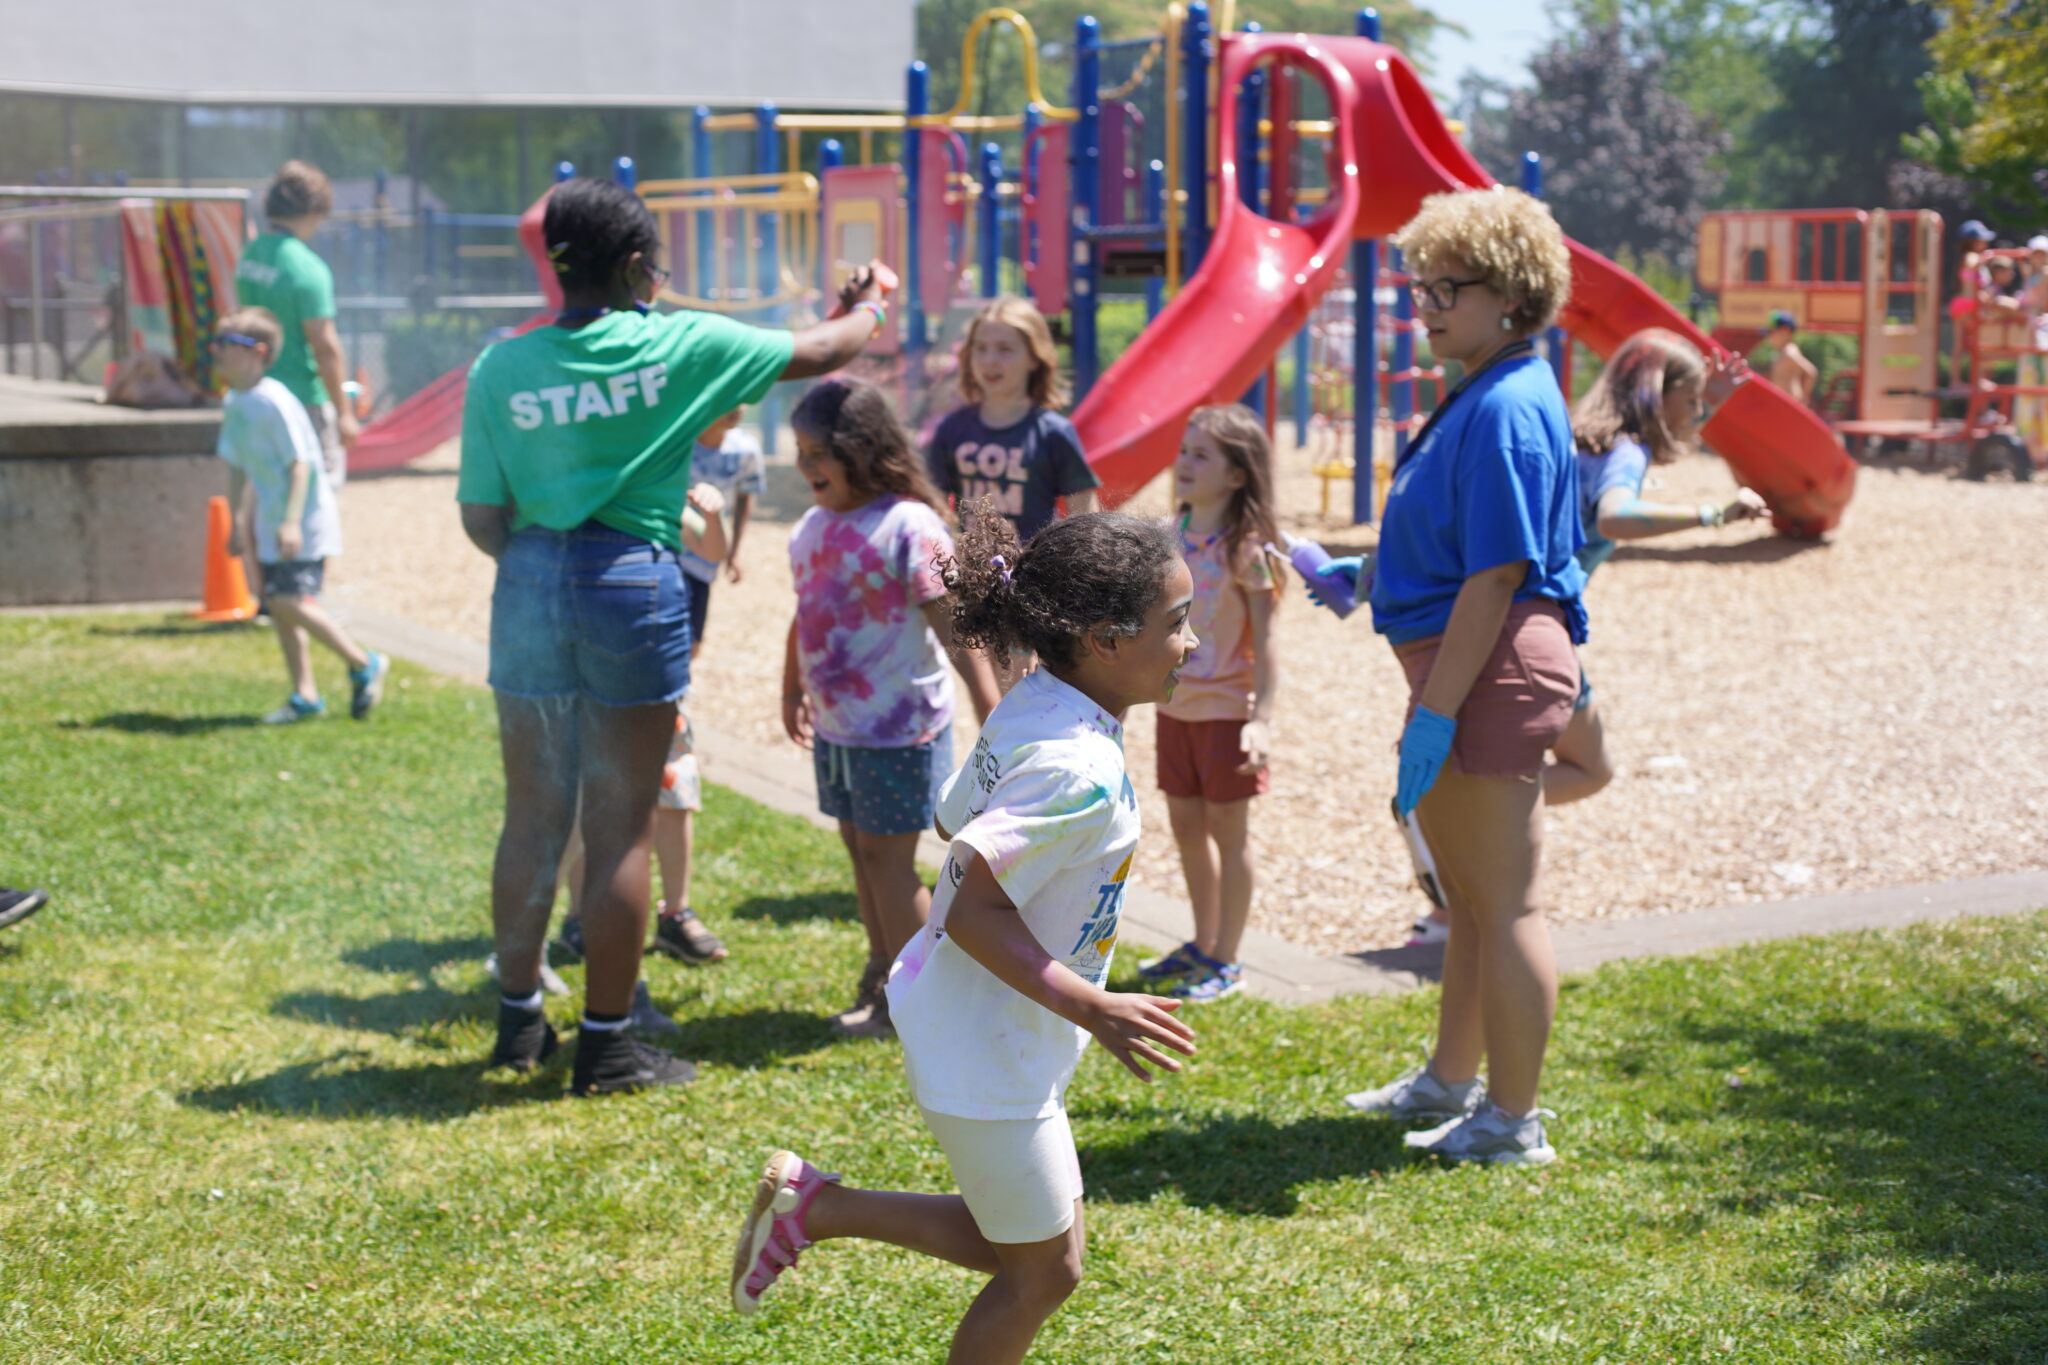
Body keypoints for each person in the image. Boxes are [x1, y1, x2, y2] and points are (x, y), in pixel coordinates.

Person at [732, 506, 1199, 1365]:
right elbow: (972, 904)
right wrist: (1093, 1005)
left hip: (985, 1024)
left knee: (1021, 1244)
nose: (1192, 641)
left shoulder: (1042, 702)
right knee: (1044, 1273)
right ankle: (816, 1208)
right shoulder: (1079, 765)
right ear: (1103, 638)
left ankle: (815, 1206)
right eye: (1176, 624)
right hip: (987, 1046)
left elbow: (953, 820)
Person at [458, 176, 888, 1097]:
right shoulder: (683, 343)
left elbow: (480, 516)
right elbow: (830, 347)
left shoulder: (501, 366)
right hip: (634, 586)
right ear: (637, 267)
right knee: (618, 829)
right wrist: (870, 300)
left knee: (534, 819)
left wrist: (541, 565)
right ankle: (608, 1047)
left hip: (529, 581)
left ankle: (519, 1025)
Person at [1313, 186, 1585, 1165]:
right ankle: (1451, 1082)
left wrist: (1434, 713)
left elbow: (1498, 573)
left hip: (1484, 669)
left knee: (1504, 901)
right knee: (1467, 902)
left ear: (1509, 296)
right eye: (1418, 285)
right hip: (1468, 666)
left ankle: (1512, 1122)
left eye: (1445, 287)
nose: (1421, 304)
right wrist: (1367, 577)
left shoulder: (1506, 401)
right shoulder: (1486, 387)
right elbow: (1458, 542)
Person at [780, 380, 1002, 1040]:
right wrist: (790, 684)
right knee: (861, 850)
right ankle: (884, 975)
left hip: (900, 729)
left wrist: (992, 708)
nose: (804, 465)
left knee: (888, 860)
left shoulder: (911, 526)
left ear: (862, 450)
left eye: (817, 451)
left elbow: (956, 628)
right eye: (799, 450)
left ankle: (921, 995)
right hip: (840, 726)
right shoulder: (812, 527)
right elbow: (805, 611)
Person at [488, 483, 734, 1018]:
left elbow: (712, 549)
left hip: (637, 676)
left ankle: (544, 974)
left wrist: (710, 517)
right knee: (598, 826)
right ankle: (585, 982)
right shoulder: (619, 484)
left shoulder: (637, 485)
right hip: (628, 669)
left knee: (636, 811)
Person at [1134, 404, 1283, 1003]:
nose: (1184, 463)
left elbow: (1270, 643)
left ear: (1238, 474)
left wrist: (1262, 721)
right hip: (1175, 710)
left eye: (1202, 455)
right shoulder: (1167, 537)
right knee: (1187, 827)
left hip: (1226, 715)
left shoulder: (1250, 551)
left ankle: (1228, 959)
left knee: (1229, 832)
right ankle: (1203, 942)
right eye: (1184, 450)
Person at [213, 306, 390, 726]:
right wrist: (238, 522)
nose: (216, 353)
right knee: (279, 606)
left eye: (227, 345)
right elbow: (237, 466)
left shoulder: (273, 401)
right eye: (216, 344)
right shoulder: (236, 401)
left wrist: (292, 520)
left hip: (303, 519)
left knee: (289, 600)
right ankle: (304, 694)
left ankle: (362, 661)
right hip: (272, 521)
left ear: (257, 352)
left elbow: (300, 464)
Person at [926, 297, 1099, 546]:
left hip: (1035, 577)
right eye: (981, 348)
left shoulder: (1054, 433)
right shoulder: (951, 430)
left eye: (1005, 349)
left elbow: (1084, 518)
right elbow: (934, 508)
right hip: (971, 575)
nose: (990, 360)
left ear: (1034, 358)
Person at [235, 161, 355, 488]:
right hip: (302, 401)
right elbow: (325, 346)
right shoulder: (307, 268)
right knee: (315, 495)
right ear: (313, 210)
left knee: (265, 491)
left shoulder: (249, 255)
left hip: (255, 392)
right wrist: (344, 414)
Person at [677, 406, 768, 643]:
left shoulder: (745, 450)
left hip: (705, 561)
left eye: (743, 398)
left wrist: (734, 552)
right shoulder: (676, 444)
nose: (739, 407)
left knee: (695, 642)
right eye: (730, 396)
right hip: (669, 555)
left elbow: (744, 498)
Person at [1949, 220, 1996, 393]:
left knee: (1961, 345)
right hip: (1969, 306)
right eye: (1981, 240)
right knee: (1977, 343)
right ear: (1972, 241)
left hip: (1962, 304)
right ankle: (1977, 380)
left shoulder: (1968, 258)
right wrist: (1984, 259)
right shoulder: (1973, 256)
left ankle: (1956, 381)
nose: (1984, 243)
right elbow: (1972, 264)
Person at [2016, 236, 2048, 467]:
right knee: (2031, 388)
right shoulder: (2033, 275)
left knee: (2040, 388)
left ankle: (2040, 447)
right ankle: (2032, 447)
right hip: (2032, 330)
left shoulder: (2044, 275)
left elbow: (2041, 305)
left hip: (2040, 331)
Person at [1764, 311, 1817, 407]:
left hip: (1790, 402)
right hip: (1783, 403)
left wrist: (1803, 398)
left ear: (1785, 331)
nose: (1769, 337)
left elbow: (1811, 371)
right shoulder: (1782, 352)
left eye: (1772, 332)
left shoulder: (1790, 352)